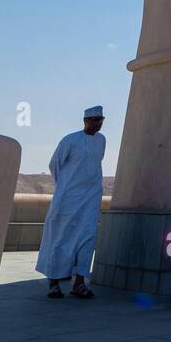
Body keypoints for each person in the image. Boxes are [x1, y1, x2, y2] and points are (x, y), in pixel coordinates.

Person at [36, 106, 107, 299]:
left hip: (90, 199)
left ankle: (79, 283)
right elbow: (55, 165)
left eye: (101, 119)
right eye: (95, 119)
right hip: (67, 199)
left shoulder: (101, 140)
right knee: (60, 239)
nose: (98, 123)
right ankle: (53, 283)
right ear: (86, 121)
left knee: (87, 239)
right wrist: (66, 187)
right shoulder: (70, 140)